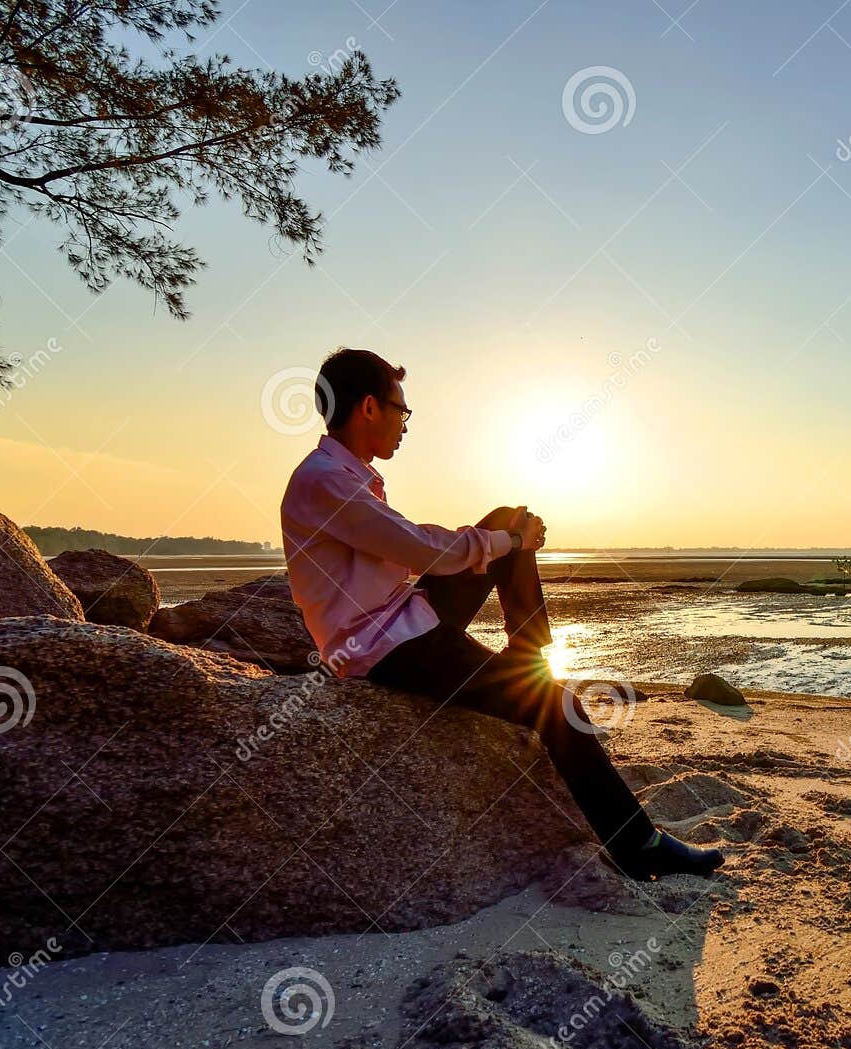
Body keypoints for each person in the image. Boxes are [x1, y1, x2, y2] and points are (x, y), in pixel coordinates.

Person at [278, 347, 723, 881]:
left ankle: (528, 659)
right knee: (558, 707)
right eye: (402, 410)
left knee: (510, 518)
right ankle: (639, 844)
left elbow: (426, 551)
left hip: (404, 618)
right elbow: (422, 549)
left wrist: (509, 534)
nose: (405, 424)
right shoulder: (325, 480)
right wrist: (508, 541)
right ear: (369, 407)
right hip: (383, 649)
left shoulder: (345, 473)